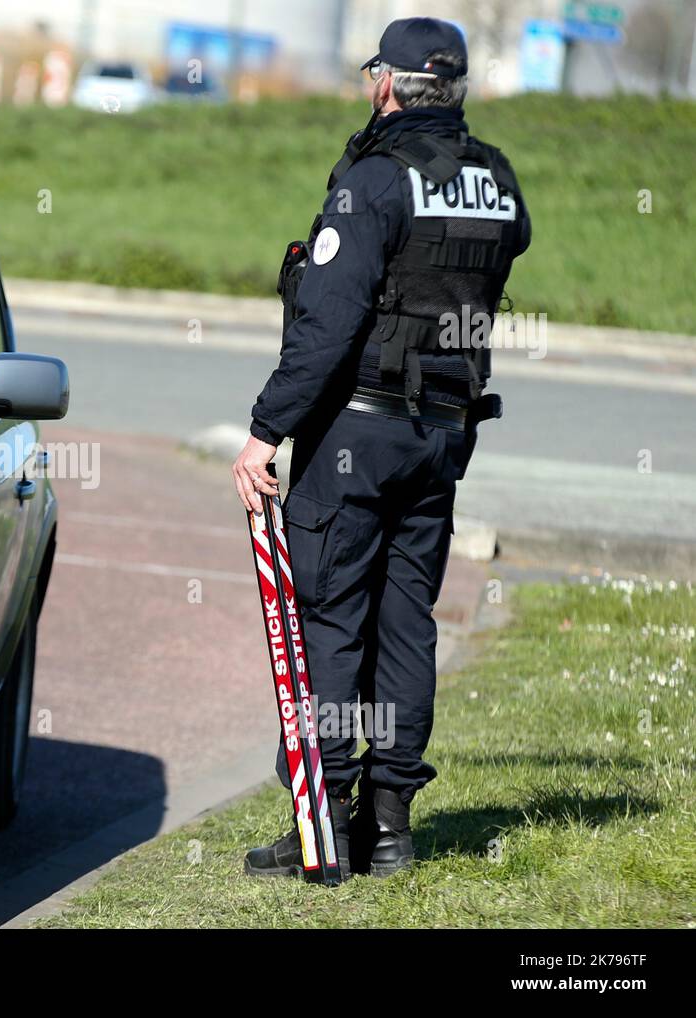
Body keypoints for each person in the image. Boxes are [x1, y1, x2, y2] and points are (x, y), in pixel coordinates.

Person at [233, 17, 532, 879]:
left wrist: (265, 432)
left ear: (388, 84)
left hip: (355, 436)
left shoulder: (375, 181)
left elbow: (327, 324)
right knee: (406, 630)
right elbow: (502, 254)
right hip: (443, 434)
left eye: (375, 74)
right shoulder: (496, 182)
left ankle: (322, 825)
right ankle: (392, 829)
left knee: (330, 625)